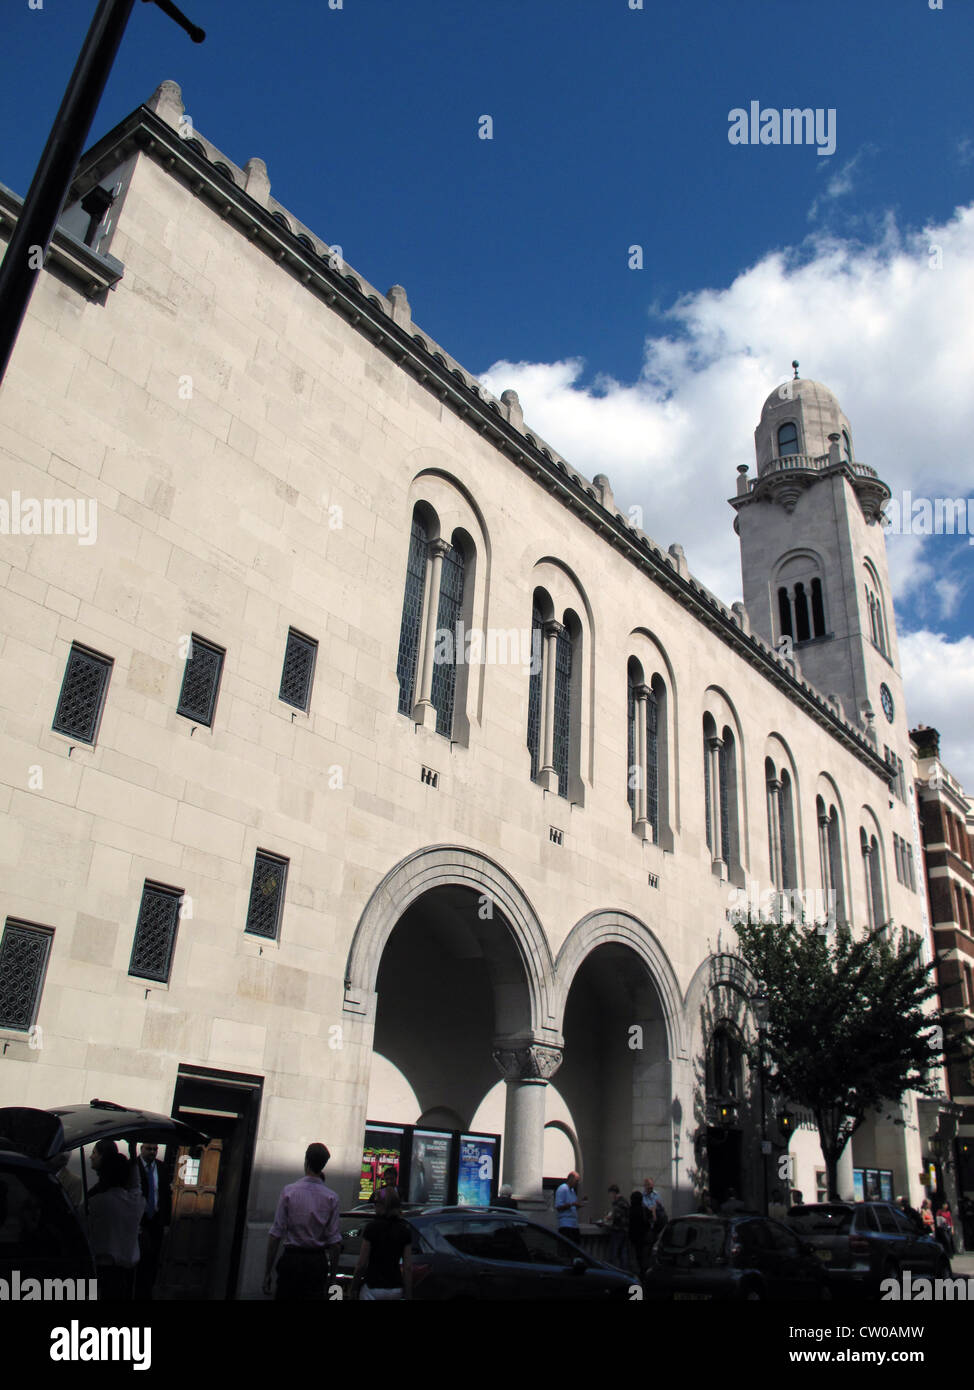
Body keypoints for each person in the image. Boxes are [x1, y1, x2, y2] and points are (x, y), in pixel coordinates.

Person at [263, 1142, 341, 1300]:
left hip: (292, 1260)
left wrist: (267, 1272)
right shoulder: (331, 1197)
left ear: (306, 1161)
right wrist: (332, 1278)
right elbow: (335, 1242)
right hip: (316, 1262)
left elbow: (275, 1234)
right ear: (323, 1165)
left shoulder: (289, 1192)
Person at [85, 1150, 145, 1300]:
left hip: (103, 1271)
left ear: (103, 1175)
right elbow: (137, 1186)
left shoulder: (96, 1203)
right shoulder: (136, 1202)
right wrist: (133, 1156)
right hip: (128, 1272)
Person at [351, 1187, 413, 1300]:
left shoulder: (371, 1228)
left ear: (382, 1205)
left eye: (376, 1203)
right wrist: (408, 1294)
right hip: (395, 1288)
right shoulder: (405, 1230)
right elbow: (407, 1267)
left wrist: (354, 1288)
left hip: (372, 1287)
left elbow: (362, 1264)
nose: (374, 1206)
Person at [135, 1141, 172, 1300]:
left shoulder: (162, 1167)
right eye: (149, 1149)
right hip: (138, 1220)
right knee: (138, 1257)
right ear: (141, 1149)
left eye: (155, 1149)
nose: (152, 1152)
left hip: (156, 1220)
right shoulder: (133, 1166)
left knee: (152, 1259)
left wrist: (166, 1222)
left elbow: (166, 1196)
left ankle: (147, 1292)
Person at [603, 1185, 629, 1268]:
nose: (610, 1196)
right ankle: (624, 1271)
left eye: (610, 1194)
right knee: (623, 1253)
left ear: (613, 1193)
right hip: (625, 1230)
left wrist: (608, 1217)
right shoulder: (625, 1202)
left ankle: (615, 1271)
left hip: (618, 1230)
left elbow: (616, 1215)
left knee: (614, 1252)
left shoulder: (618, 1203)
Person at [554, 1170, 584, 1241]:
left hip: (574, 1225)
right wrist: (571, 1204)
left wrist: (577, 1206)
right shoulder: (562, 1189)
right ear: (571, 1179)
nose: (577, 1183)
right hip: (566, 1225)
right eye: (576, 1181)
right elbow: (558, 1207)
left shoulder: (573, 1191)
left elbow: (573, 1206)